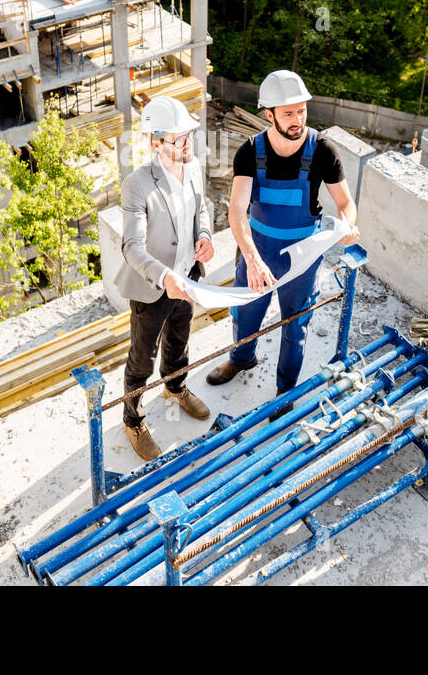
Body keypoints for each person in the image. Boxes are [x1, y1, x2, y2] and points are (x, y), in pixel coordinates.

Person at [207, 70, 360, 398]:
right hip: (258, 249)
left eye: (301, 110)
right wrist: (251, 259)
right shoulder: (250, 152)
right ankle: (240, 359)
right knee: (246, 313)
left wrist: (347, 225)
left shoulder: (323, 151)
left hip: (304, 255)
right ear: (269, 114)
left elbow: (346, 203)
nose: (297, 120)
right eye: (288, 113)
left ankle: (284, 391)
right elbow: (237, 211)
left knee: (295, 326)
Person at [114, 97, 215, 460]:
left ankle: (175, 386)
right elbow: (132, 247)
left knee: (180, 339)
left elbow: (202, 207)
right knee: (141, 357)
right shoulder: (137, 184)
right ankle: (133, 418)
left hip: (187, 277)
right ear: (156, 142)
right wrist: (164, 276)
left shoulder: (194, 166)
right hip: (152, 288)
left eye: (189, 136)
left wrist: (205, 236)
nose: (187, 145)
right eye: (179, 139)